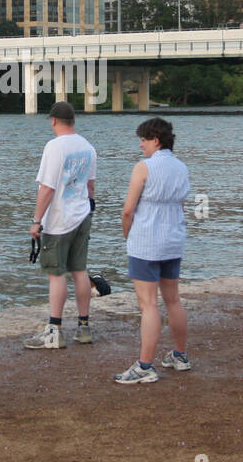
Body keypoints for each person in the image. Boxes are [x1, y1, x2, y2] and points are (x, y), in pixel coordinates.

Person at [115, 117, 191, 384]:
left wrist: (128, 236)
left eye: (144, 140)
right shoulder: (181, 167)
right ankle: (180, 355)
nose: (141, 144)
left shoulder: (143, 168)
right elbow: (181, 205)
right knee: (173, 300)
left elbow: (127, 210)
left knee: (148, 305)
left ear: (155, 140)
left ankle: (145, 365)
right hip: (173, 240)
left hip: (146, 242)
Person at [24, 101, 98, 350]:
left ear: (53, 121)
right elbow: (90, 187)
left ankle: (54, 331)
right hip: (82, 215)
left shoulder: (54, 147)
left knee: (56, 274)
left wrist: (36, 221)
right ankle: (84, 327)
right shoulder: (88, 147)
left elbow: (47, 188)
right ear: (73, 121)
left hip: (58, 220)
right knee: (80, 271)